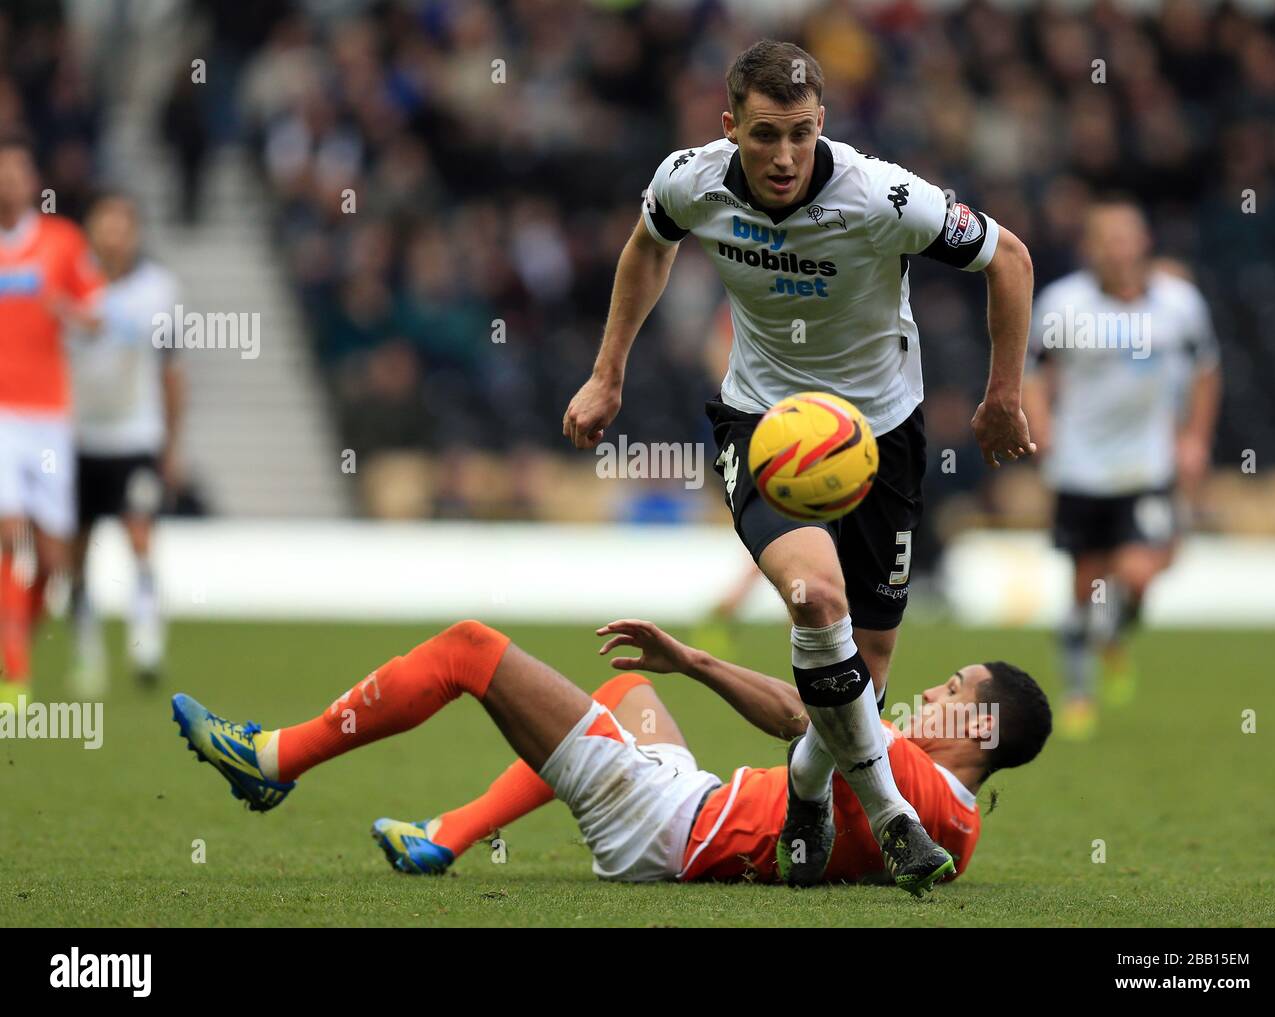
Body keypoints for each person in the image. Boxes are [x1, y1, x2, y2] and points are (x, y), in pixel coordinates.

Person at [561, 40, 1036, 890]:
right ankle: (894, 817)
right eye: (765, 135)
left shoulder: (884, 196)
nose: (784, 157)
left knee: (868, 675)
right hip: (767, 428)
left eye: (802, 134)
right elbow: (648, 245)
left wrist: (1004, 394)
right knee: (816, 599)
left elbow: (1009, 258)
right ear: (730, 126)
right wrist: (608, 372)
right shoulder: (688, 180)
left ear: (824, 125)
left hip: (881, 437)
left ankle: (809, 791)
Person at [171, 618, 1051, 892]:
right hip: (691, 797)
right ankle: (452, 831)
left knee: (470, 650)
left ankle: (276, 757)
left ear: (984, 731)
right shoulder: (952, 825)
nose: (932, 692)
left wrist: (696, 660)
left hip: (667, 824)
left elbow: (803, 708)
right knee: (624, 697)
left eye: (954, 690)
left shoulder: (929, 797)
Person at [1022, 199, 1221, 740]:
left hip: (1146, 465)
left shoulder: (1179, 304)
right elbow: (1035, 373)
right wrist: (1041, 427)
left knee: (1135, 574)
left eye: (1125, 237)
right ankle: (1080, 691)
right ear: (1089, 247)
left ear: (1144, 242)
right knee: (1086, 586)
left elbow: (1206, 371)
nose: (1117, 248)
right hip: (1080, 467)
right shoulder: (1064, 304)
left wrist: (1195, 439)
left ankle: (1114, 635)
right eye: (1106, 238)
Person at [0, 134, 103, 711]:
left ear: (34, 181)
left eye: (18, 171)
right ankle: (14, 673)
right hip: (2, 415)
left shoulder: (62, 242)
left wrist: (70, 312)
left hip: (49, 418)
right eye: (2, 172)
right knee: (10, 534)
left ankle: (21, 637)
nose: (10, 182)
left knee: (53, 554)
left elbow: (97, 313)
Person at [68, 193, 185, 693]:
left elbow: (171, 370)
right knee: (75, 550)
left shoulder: (159, 289)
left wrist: (171, 444)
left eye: (123, 224)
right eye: (105, 223)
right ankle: (87, 649)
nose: (114, 233)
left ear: (135, 232)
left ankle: (145, 637)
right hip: (74, 437)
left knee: (139, 534)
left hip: (136, 435)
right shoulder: (68, 281)